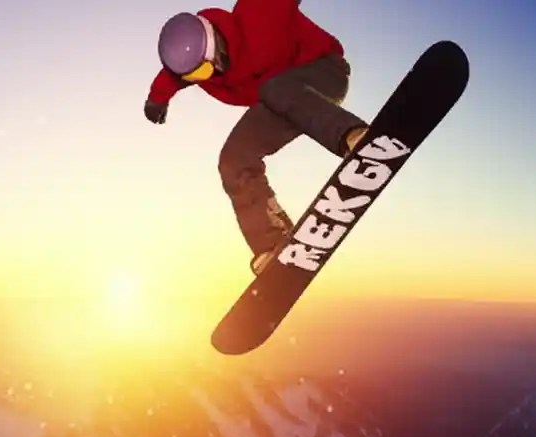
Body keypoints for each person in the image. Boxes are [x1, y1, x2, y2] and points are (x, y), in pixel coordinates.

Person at [146, 3, 370, 274]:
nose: (210, 76)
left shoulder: (257, 11)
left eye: (204, 71)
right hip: (281, 101)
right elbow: (172, 78)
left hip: (324, 72)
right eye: (195, 76)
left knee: (273, 87)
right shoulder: (198, 65)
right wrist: (157, 99)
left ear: (217, 42)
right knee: (233, 160)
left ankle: (354, 136)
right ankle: (274, 243)